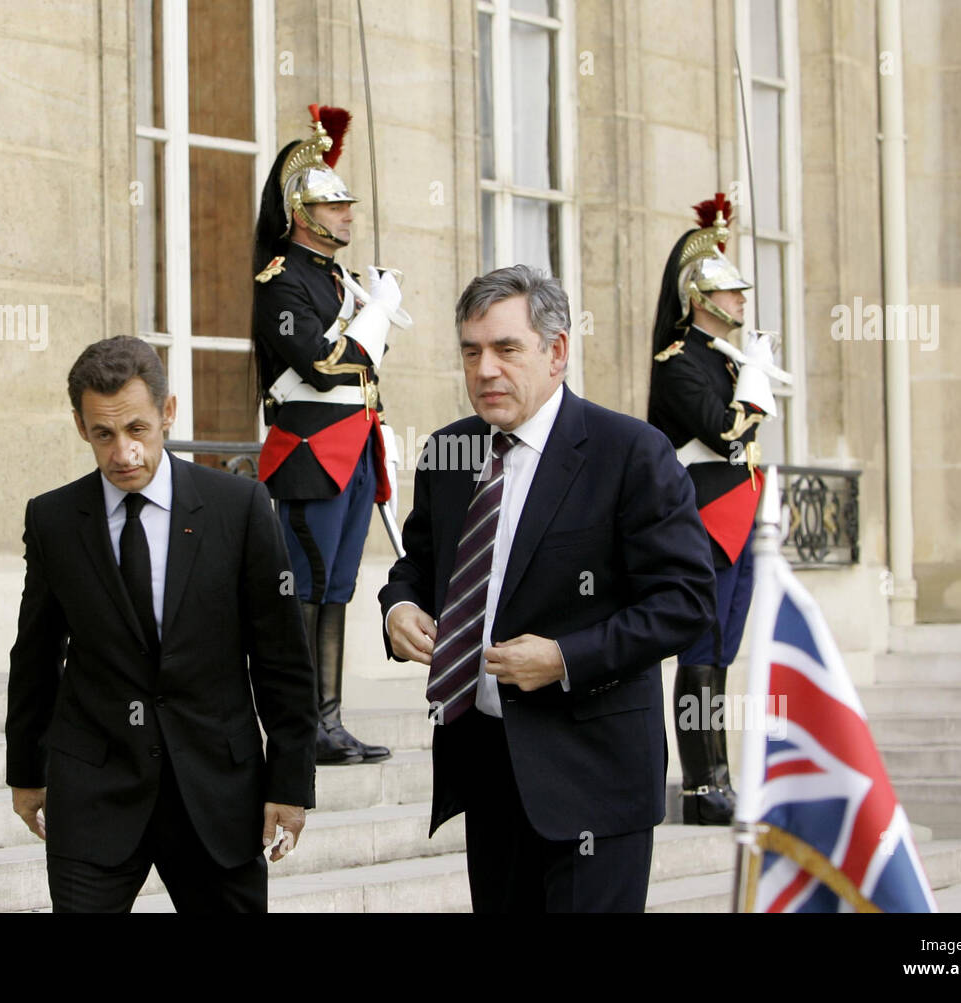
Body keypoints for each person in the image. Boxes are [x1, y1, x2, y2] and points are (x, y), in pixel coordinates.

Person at [380, 265, 716, 912]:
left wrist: (565, 659)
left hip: (596, 777)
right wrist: (398, 607)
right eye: (471, 351)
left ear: (557, 352)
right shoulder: (448, 454)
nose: (485, 370)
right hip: (490, 772)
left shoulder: (631, 453)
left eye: (507, 349)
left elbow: (686, 604)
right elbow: (416, 566)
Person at [6, 337, 317, 912]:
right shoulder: (52, 519)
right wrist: (26, 772)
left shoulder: (241, 508)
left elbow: (282, 659)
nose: (123, 453)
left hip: (216, 792)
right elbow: (35, 654)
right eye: (104, 434)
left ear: (168, 412)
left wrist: (290, 784)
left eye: (137, 430)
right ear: (81, 427)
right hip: (93, 790)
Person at [251, 104, 407, 766]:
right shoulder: (281, 281)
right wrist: (373, 321)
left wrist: (370, 308)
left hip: (354, 451)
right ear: (300, 213)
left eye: (345, 203)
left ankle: (329, 720)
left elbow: (362, 373)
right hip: (313, 456)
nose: (347, 214)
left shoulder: (337, 278)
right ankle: (299, 724)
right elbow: (318, 364)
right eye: (332, 204)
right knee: (307, 591)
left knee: (336, 590)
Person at [647, 194, 783, 825]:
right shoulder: (680, 361)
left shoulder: (724, 361)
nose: (740, 301)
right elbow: (726, 432)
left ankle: (721, 777)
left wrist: (749, 370)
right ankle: (703, 786)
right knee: (700, 648)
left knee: (722, 650)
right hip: (705, 518)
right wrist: (753, 379)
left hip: (739, 514)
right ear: (699, 298)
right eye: (730, 294)